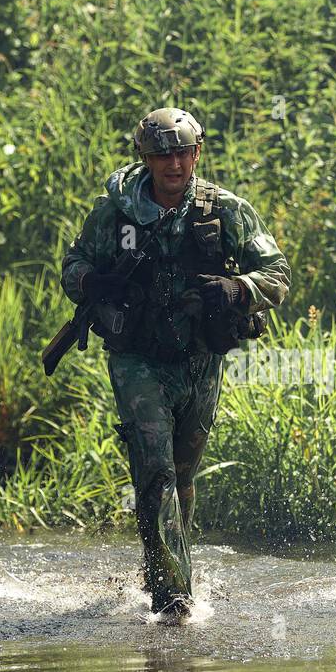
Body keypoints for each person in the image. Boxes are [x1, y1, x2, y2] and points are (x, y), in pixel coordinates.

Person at [61, 107, 290, 618]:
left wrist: (237, 287)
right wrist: (93, 283)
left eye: (182, 152)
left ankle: (166, 567)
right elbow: (74, 264)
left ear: (197, 153)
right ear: (144, 157)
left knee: (183, 476)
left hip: (200, 360)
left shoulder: (225, 210)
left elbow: (276, 273)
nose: (173, 164)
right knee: (156, 470)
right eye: (161, 154)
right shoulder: (114, 213)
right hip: (137, 358)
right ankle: (174, 598)